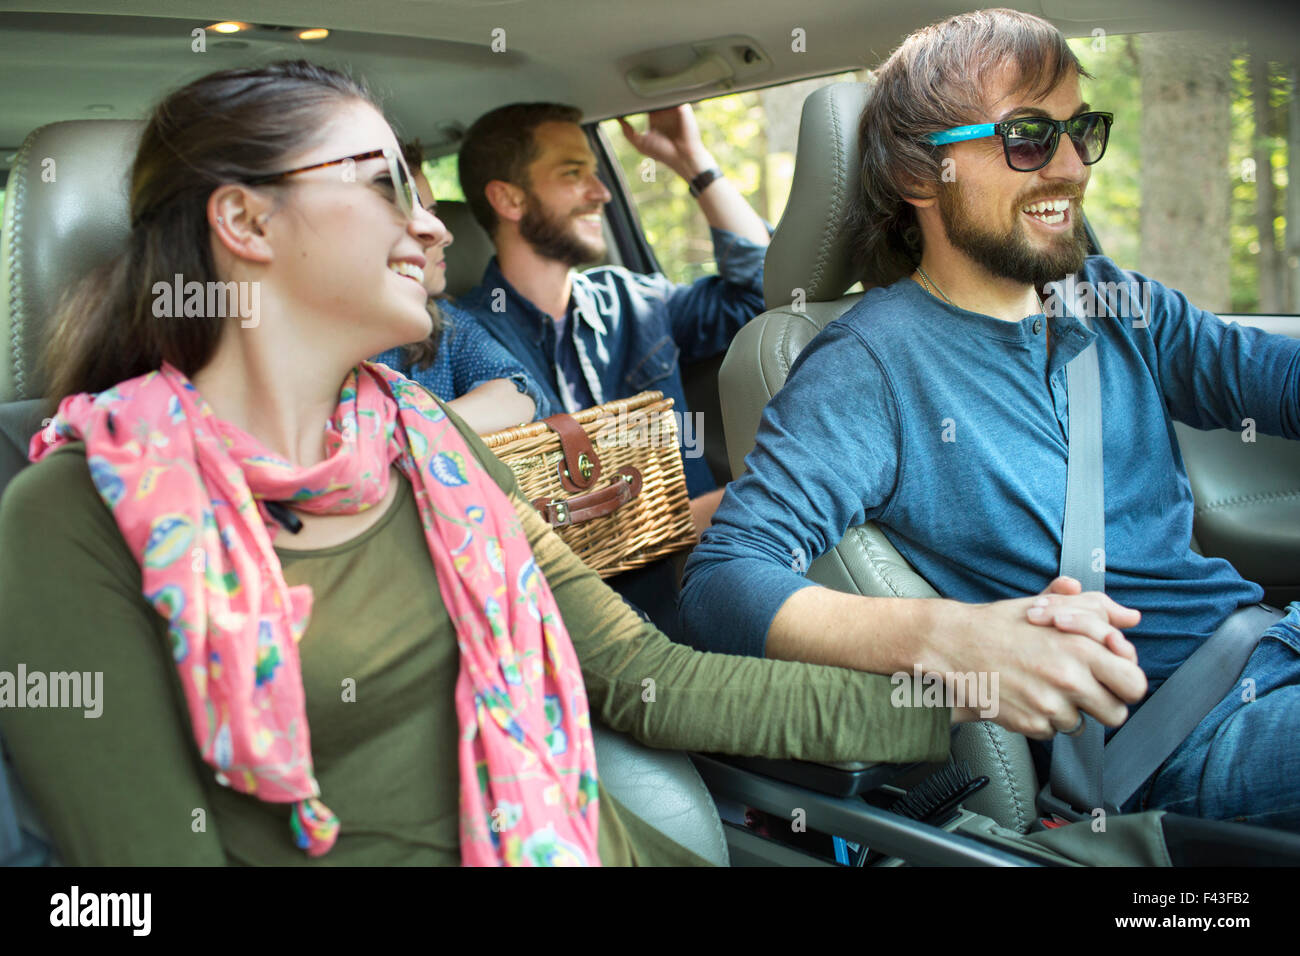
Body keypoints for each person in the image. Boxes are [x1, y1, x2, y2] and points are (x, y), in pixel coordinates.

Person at [0, 60, 952, 867]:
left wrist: (957, 699)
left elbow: (643, 676)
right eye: (384, 186)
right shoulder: (70, 516)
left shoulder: (431, 445)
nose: (434, 229)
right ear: (246, 223)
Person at [679, 8, 1300, 831]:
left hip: (1271, 646)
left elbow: (1271, 376)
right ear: (918, 175)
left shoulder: (1111, 300)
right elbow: (723, 578)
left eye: (1082, 130)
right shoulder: (870, 364)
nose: (1073, 166)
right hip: (1179, 740)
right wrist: (954, 640)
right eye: (1030, 137)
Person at [455, 101, 771, 532]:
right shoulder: (464, 339)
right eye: (572, 173)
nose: (601, 192)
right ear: (509, 198)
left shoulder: (631, 299)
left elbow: (761, 293)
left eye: (594, 171)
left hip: (701, 570)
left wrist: (693, 161)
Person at [369, 141, 550, 434]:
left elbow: (520, 392)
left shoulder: (444, 323)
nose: (444, 235)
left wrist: (405, 431)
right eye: (407, 218)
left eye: (432, 213)